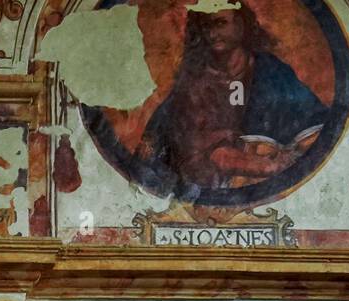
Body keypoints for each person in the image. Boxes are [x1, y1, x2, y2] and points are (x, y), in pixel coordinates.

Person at [136, 0, 330, 196]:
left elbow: (313, 121)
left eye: (221, 23)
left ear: (242, 24)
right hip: (216, 180)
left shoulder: (271, 70)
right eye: (206, 26)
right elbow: (178, 140)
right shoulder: (194, 81)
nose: (213, 33)